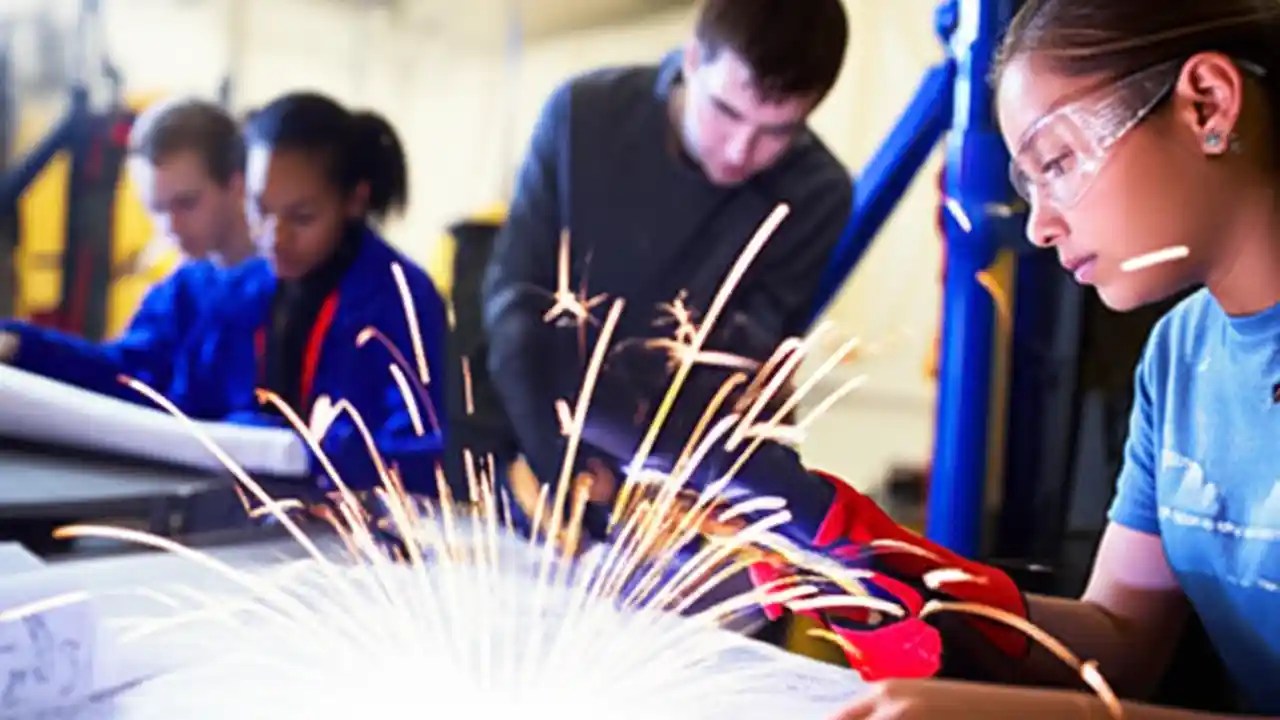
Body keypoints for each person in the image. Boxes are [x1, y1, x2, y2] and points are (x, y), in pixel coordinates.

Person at [684, 0, 1280, 717]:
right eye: (1027, 183)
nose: (1039, 222)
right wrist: (880, 567)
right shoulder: (1179, 356)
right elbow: (1120, 646)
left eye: (1057, 161)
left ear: (1206, 104)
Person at [482, 0, 854, 536]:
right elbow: (513, 305)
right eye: (726, 111)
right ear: (693, 58)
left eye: (778, 131)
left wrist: (651, 487)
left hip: (684, 470)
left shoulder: (817, 193)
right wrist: (552, 454)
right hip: (535, 435)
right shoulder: (582, 118)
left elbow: (744, 366)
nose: (740, 150)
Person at [0, 97, 257, 399]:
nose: (170, 227)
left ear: (237, 185)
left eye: (186, 203)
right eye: (157, 209)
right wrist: (19, 345)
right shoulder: (182, 290)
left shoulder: (290, 289)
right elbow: (126, 369)